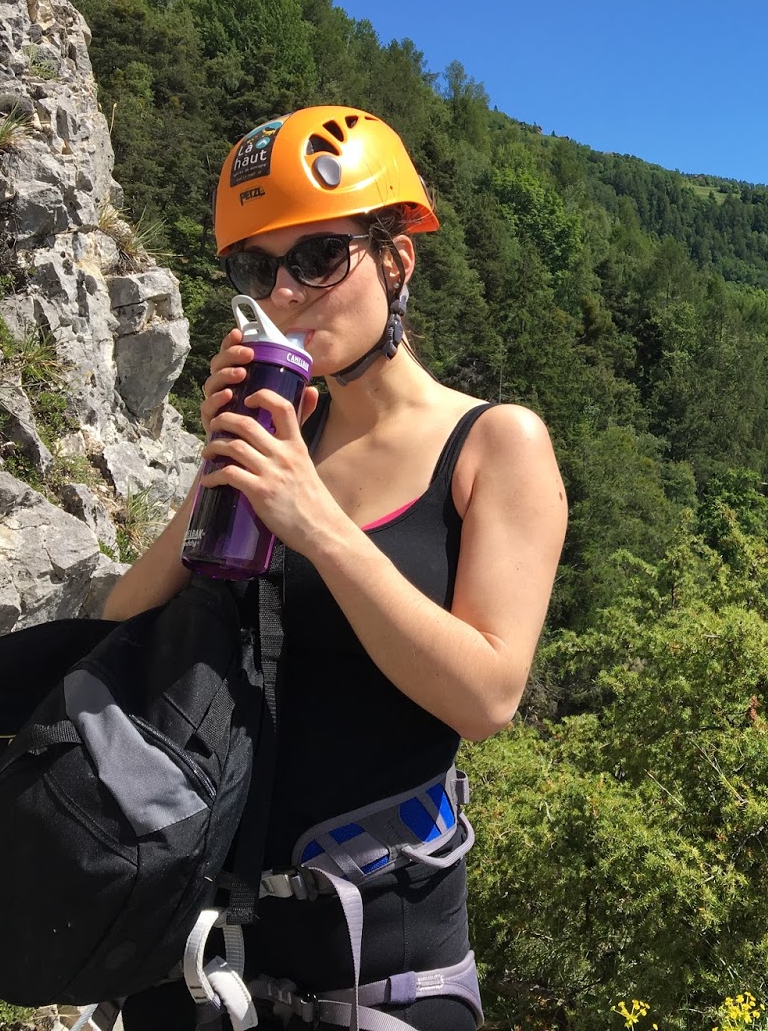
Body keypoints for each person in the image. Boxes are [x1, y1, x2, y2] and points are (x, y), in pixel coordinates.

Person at [103, 105, 567, 1030]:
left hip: (378, 969)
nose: (284, 294)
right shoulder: (282, 445)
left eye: (317, 257)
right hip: (199, 953)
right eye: (257, 268)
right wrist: (220, 472)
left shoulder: (493, 444)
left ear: (397, 258)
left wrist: (316, 523)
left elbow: (487, 697)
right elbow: (119, 629)